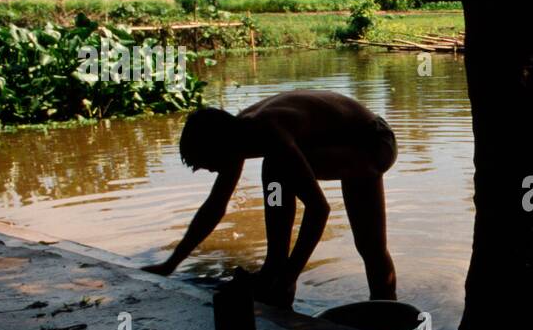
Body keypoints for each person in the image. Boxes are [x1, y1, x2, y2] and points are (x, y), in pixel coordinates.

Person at [143, 91, 397, 307]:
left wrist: (291, 275)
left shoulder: (267, 130)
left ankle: (385, 308)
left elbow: (318, 209)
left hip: (373, 142)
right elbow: (215, 206)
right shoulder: (237, 133)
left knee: (370, 247)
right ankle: (274, 271)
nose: (211, 170)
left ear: (220, 145)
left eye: (209, 163)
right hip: (339, 142)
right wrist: (171, 264)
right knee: (276, 169)